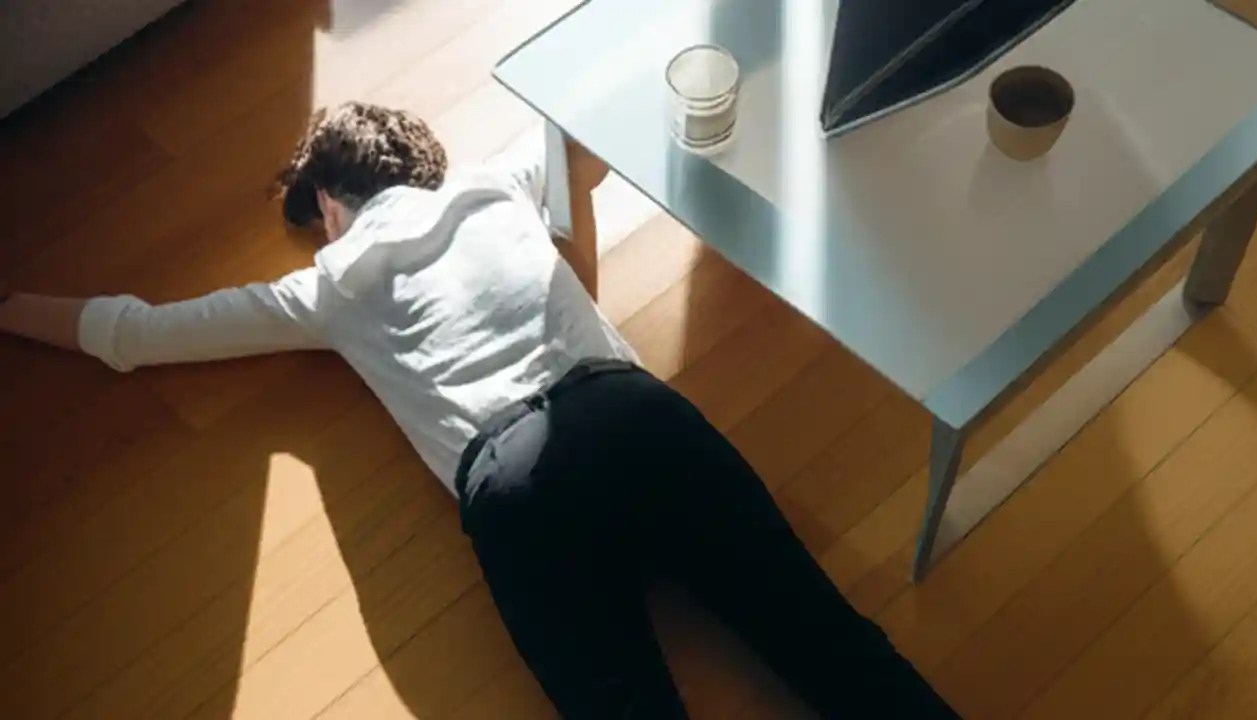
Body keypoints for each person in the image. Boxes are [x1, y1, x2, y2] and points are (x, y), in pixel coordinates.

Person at [0, 102, 957, 719]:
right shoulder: (493, 179)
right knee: (820, 637)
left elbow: (136, 331)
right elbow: (585, 132)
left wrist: (10, 308)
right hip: (632, 417)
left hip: (517, 482)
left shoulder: (329, 284)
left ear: (329, 203)